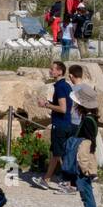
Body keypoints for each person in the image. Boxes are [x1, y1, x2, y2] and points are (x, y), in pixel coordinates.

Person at [34, 60, 75, 192]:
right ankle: (48, 179)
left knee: (59, 153)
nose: (50, 71)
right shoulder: (67, 86)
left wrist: (46, 105)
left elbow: (63, 108)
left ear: (60, 71)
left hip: (60, 124)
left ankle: (67, 183)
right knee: (58, 153)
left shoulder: (60, 87)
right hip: (67, 124)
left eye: (53, 69)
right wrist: (49, 102)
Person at [66, 83, 101, 207]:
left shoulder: (87, 121)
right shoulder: (92, 118)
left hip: (83, 162)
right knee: (86, 192)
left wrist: (84, 167)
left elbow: (85, 145)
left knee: (86, 193)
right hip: (86, 160)